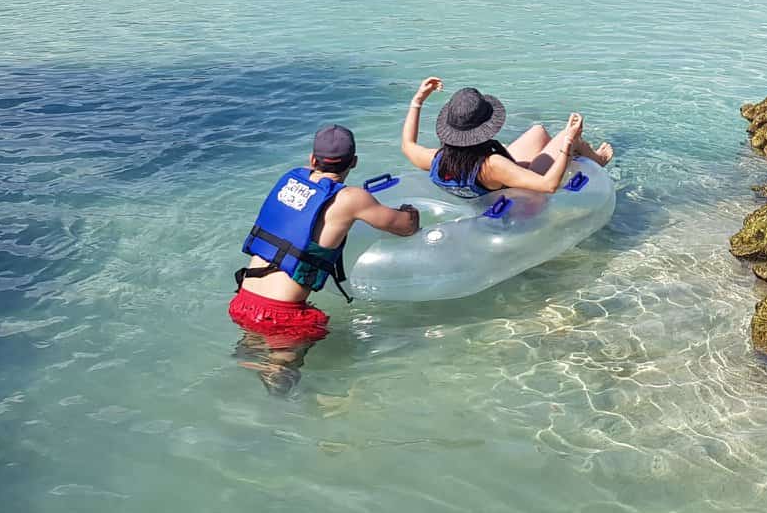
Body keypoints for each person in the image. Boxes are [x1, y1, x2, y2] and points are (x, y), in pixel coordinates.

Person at [229, 124, 420, 394]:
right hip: (282, 315)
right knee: (282, 378)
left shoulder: (292, 180)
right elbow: (405, 226)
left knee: (254, 354)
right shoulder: (352, 198)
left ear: (311, 159)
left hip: (245, 301)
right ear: (353, 162)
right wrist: (410, 210)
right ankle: (289, 416)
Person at [400, 79, 613, 199]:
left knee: (538, 131)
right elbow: (548, 186)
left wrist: (417, 101)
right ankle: (597, 160)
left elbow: (407, 145)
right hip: (518, 198)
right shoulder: (492, 165)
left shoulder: (437, 158)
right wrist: (568, 142)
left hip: (489, 185)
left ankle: (577, 151)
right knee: (568, 137)